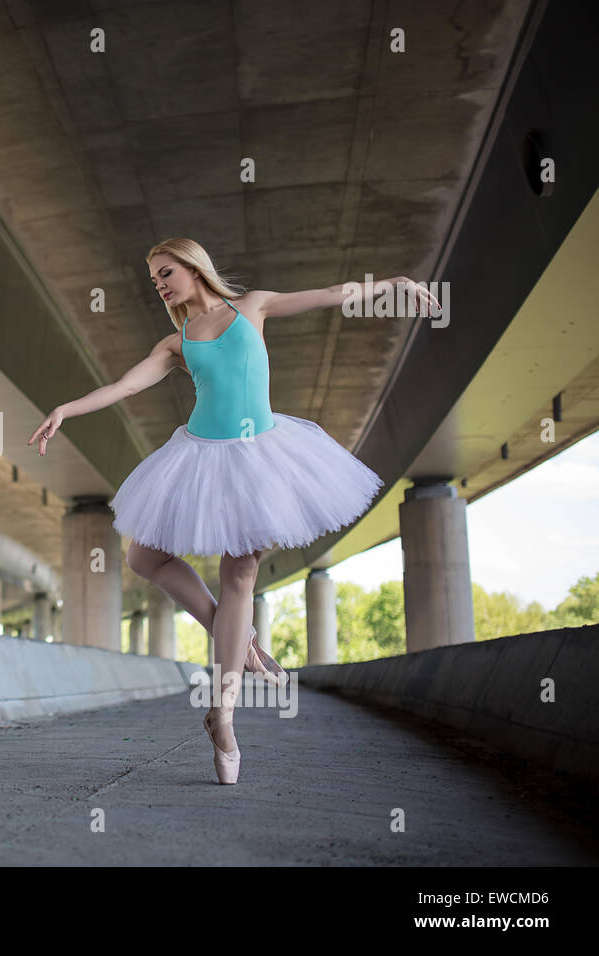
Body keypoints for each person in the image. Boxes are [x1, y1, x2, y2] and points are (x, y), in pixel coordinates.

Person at [28, 238, 440, 783]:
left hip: (261, 455)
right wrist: (65, 409)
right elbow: (126, 385)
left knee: (240, 572)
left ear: (193, 266)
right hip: (200, 454)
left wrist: (392, 285)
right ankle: (242, 643)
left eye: (165, 272)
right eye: (154, 279)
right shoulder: (175, 343)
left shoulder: (254, 307)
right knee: (141, 557)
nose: (161, 284)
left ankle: (223, 715)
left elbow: (332, 295)